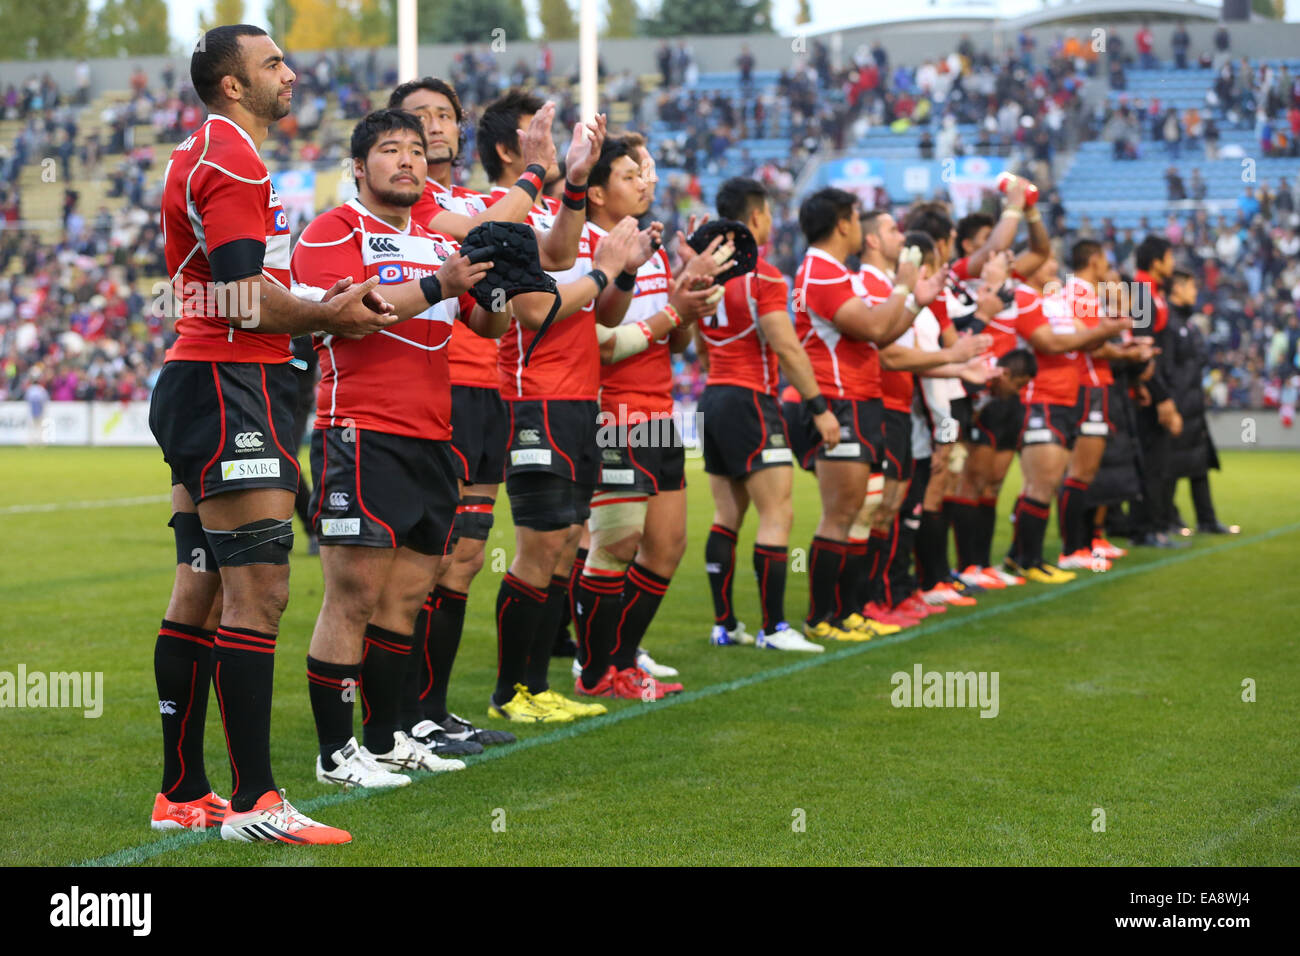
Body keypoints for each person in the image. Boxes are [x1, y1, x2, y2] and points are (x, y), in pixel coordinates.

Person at [148, 25, 400, 845]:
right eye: (272, 64)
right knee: (261, 594)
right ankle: (257, 802)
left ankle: (183, 791)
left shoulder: (206, 149)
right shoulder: (232, 156)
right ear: (230, 84)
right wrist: (329, 313)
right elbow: (242, 292)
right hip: (228, 384)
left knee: (202, 587)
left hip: (206, 381)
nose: (289, 74)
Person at [290, 108, 511, 791]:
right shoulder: (334, 230)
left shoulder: (435, 242)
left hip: (431, 439)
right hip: (358, 432)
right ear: (359, 168)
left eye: (417, 150)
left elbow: (487, 323)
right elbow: (349, 316)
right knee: (352, 596)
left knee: (407, 597)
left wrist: (502, 283)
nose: (409, 161)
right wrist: (441, 284)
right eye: (390, 150)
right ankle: (335, 754)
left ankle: (385, 741)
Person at [572, 137, 722, 699]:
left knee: (666, 547)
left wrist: (690, 295)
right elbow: (600, 345)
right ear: (597, 188)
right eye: (631, 174)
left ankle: (621, 660)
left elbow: (675, 339)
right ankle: (593, 672)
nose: (644, 182)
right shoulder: (586, 248)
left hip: (661, 413)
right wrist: (671, 313)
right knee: (616, 545)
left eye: (646, 173)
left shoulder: (651, 250)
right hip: (610, 415)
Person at [792, 188, 940, 643]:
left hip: (860, 400)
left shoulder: (833, 272)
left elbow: (879, 335)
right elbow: (877, 328)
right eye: (857, 218)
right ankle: (822, 616)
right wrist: (903, 286)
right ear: (843, 224)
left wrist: (915, 301)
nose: (861, 227)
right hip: (839, 400)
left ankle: (849, 610)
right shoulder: (821, 272)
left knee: (862, 512)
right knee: (842, 515)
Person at [697, 177, 836, 652]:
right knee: (778, 512)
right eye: (770, 214)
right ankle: (774, 628)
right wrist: (819, 408)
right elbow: (786, 346)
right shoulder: (765, 277)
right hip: (751, 399)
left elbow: (698, 346)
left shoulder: (701, 275)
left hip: (712, 397)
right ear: (755, 219)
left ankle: (724, 624)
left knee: (726, 514)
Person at [1003, 247, 1127, 582]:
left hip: (1063, 397)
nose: (1055, 267)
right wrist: (1110, 328)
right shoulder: (1027, 298)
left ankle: (1022, 557)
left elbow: (1078, 339)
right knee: (1040, 483)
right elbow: (1054, 344)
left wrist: (1108, 330)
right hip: (1039, 397)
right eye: (1047, 261)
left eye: (1055, 260)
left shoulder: (1054, 300)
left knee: (1046, 481)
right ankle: (1029, 559)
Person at [1163, 271, 1238, 535]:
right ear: (1177, 288)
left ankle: (1206, 519)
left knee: (1199, 465)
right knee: (1169, 465)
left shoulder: (1188, 323)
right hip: (1177, 405)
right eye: (1192, 286)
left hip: (1193, 405)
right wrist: (1169, 403)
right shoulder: (1167, 321)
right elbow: (1168, 368)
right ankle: (1166, 518)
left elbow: (1200, 359)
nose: (1196, 292)